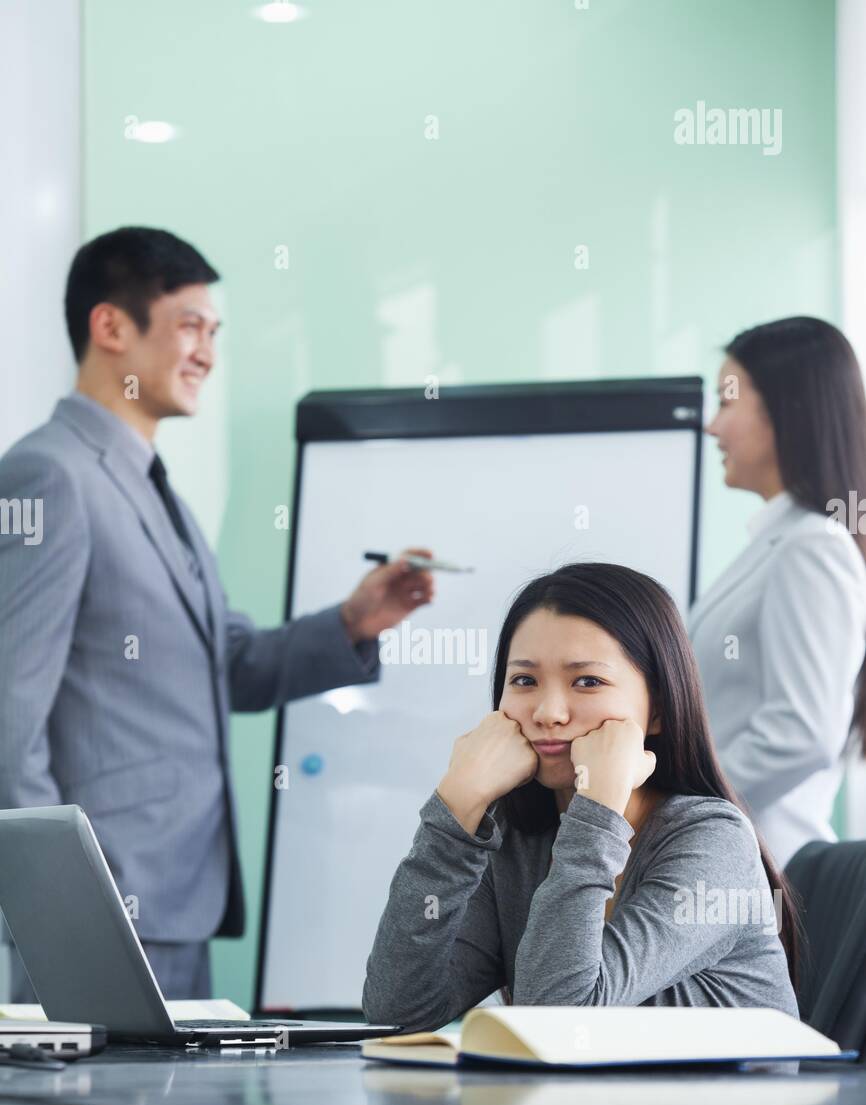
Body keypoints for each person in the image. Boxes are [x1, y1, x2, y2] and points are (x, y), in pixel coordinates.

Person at [0, 225, 433, 1001]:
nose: (207, 352)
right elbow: (7, 709)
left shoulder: (160, 494)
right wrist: (55, 902)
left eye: (215, 332)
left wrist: (351, 623)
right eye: (190, 326)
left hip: (174, 894)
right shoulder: (49, 476)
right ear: (110, 327)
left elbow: (229, 666)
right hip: (101, 900)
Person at [363, 562, 800, 1033]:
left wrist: (596, 810)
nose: (549, 713)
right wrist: (456, 810)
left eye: (588, 681)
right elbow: (397, 1011)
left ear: (659, 709)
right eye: (524, 681)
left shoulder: (713, 840)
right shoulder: (520, 840)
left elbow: (559, 1023)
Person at [690, 316, 866, 868]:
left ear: (788, 409)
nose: (711, 427)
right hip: (729, 857)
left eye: (727, 401)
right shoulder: (775, 544)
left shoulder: (812, 547)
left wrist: (675, 805)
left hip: (763, 869)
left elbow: (802, 732)